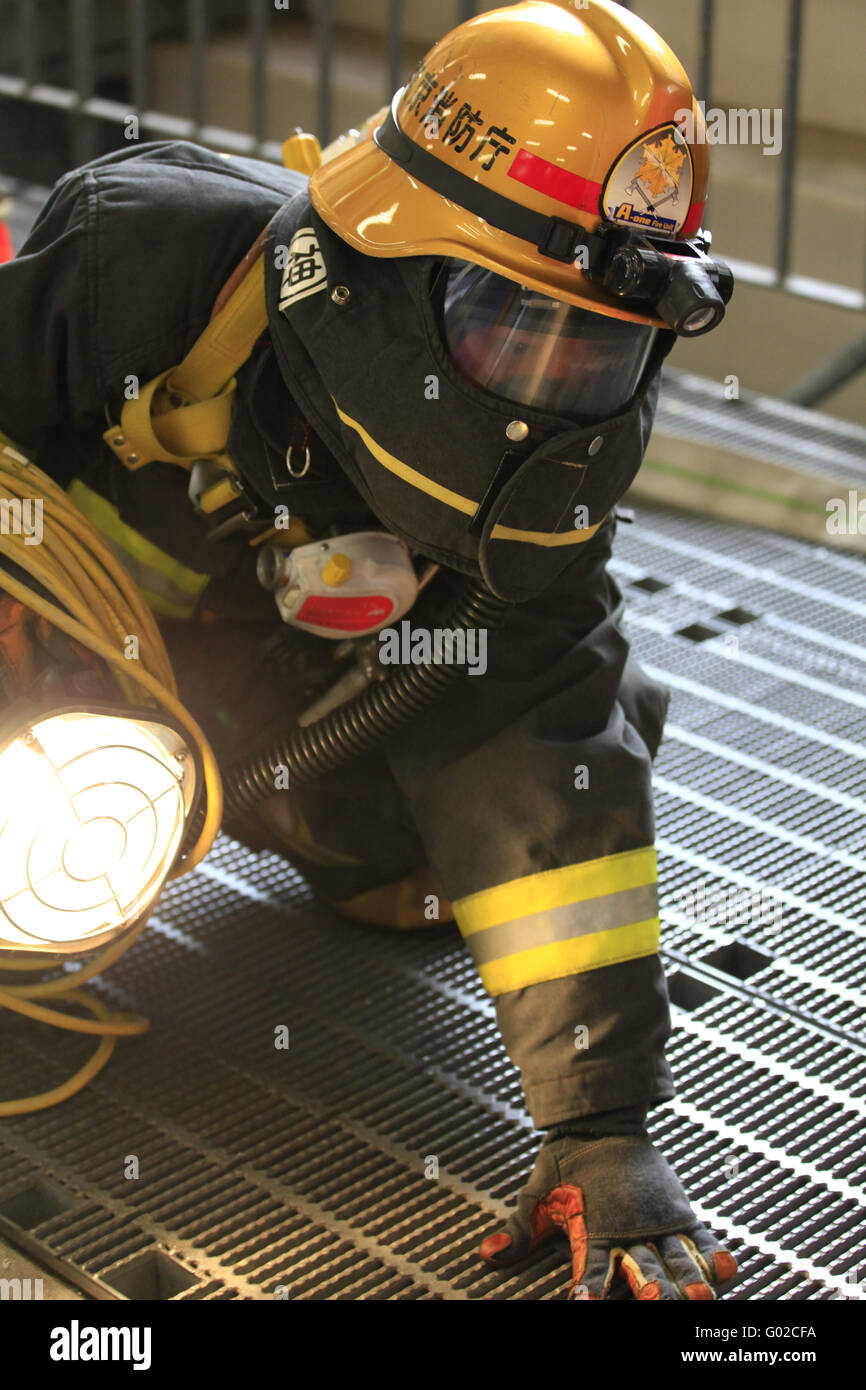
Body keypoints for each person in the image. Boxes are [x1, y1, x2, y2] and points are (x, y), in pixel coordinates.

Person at [0, 0, 738, 1298]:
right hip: (75, 694)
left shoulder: (525, 539)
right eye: (514, 330)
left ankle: (395, 820)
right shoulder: (136, 264)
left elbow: (539, 762)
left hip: (286, 723)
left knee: (460, 823)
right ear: (373, 264)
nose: (543, 392)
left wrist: (598, 1124)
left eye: (593, 351)